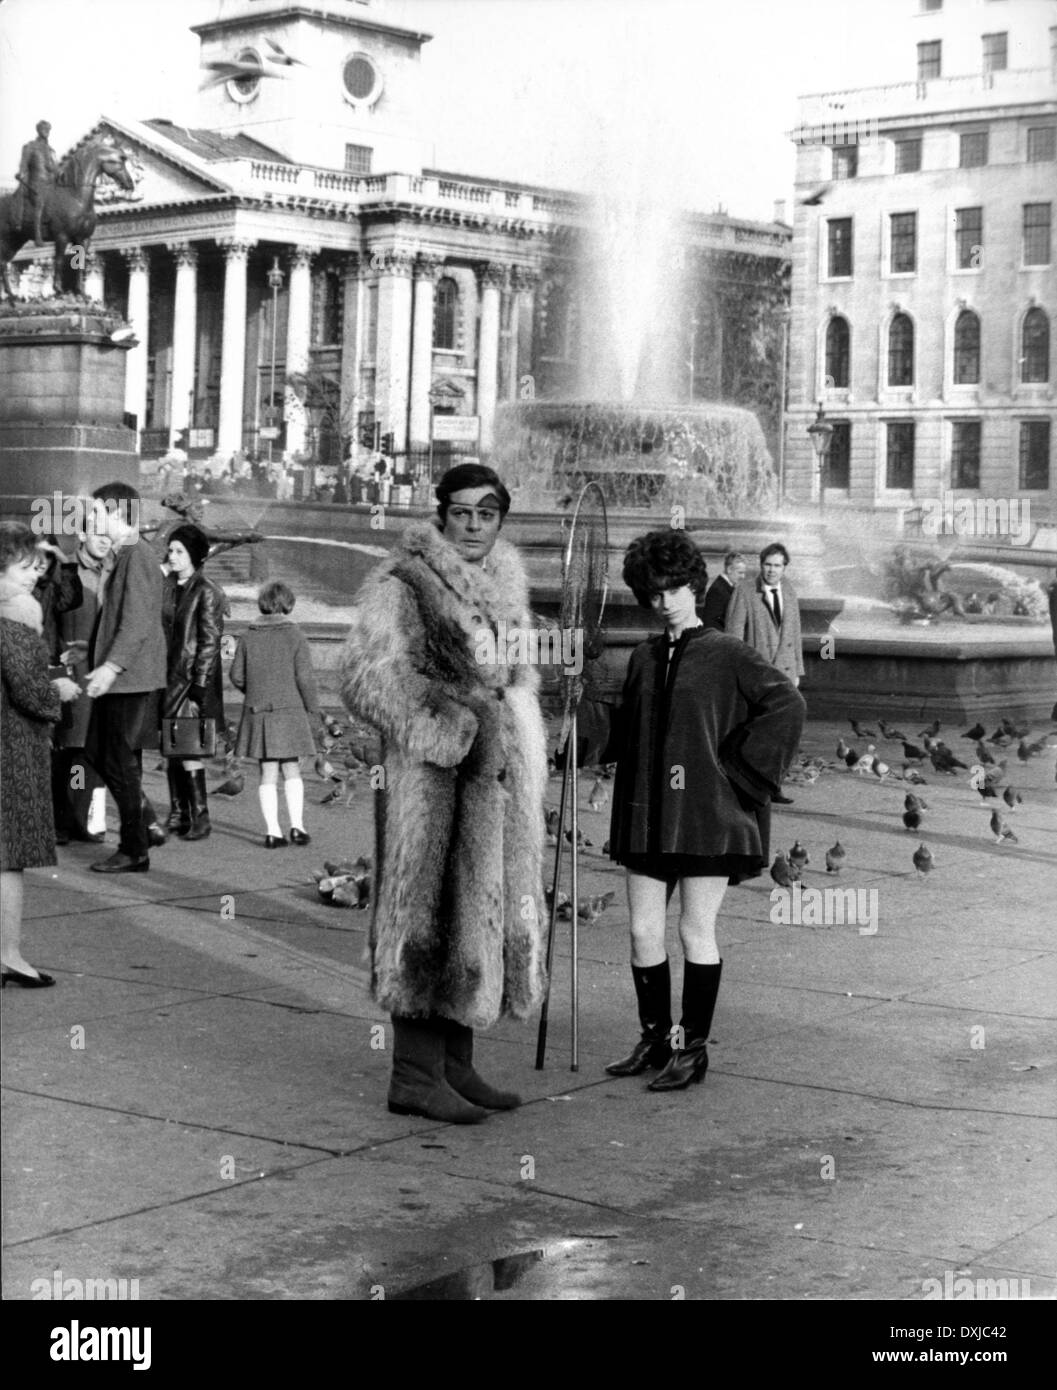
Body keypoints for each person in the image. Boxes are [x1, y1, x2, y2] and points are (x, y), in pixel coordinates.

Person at [339, 462, 548, 1125]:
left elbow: (515, 679)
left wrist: (537, 713)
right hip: (432, 782)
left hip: (494, 786)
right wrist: (445, 726)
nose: (473, 525)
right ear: (440, 514)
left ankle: (455, 1065)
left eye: (487, 513)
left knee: (476, 912)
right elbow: (366, 676)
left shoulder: (506, 583)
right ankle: (413, 1077)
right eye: (460, 512)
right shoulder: (402, 582)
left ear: (500, 519)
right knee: (424, 915)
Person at [604, 529, 804, 1091]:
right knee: (644, 932)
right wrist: (584, 706)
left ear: (694, 584)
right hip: (647, 814)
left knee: (696, 931)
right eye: (653, 591)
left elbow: (787, 703)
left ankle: (690, 1051)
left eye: (673, 588)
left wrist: (740, 771)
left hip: (707, 818)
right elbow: (623, 732)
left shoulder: (729, 653)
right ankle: (654, 1039)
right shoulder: (643, 656)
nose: (663, 600)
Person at [0, 521, 81, 987]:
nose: (35, 575)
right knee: (10, 860)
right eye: (25, 567)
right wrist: (59, 690)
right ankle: (9, 955)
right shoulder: (14, 621)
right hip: (13, 749)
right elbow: (29, 691)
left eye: (37, 566)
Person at [83, 483, 168, 873]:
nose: (93, 519)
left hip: (130, 678)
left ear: (118, 513)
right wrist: (90, 656)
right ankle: (141, 831)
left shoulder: (137, 557)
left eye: (98, 512)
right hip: (125, 676)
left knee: (113, 758)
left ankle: (135, 846)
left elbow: (137, 622)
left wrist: (110, 667)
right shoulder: (126, 556)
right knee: (107, 756)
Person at [230, 581, 321, 849]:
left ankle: (273, 832)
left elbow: (235, 675)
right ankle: (298, 828)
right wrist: (313, 709)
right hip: (289, 710)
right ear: (287, 604)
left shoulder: (248, 636)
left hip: (258, 710)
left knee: (267, 771)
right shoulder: (296, 636)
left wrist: (255, 690)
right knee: (292, 769)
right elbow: (304, 678)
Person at [161, 525, 227, 842]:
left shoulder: (207, 592)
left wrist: (200, 685)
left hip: (188, 682)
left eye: (179, 552)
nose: (172, 556)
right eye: (170, 550)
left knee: (187, 749)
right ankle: (179, 813)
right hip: (168, 678)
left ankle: (200, 817)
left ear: (195, 556)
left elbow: (210, 642)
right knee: (172, 748)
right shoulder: (169, 587)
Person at [725, 542, 803, 804]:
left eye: (777, 565)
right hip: (757, 672)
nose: (772, 570)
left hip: (785, 669)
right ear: (761, 566)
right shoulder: (745, 590)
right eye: (768, 565)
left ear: (784, 567)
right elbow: (733, 636)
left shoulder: (790, 591)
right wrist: (734, 671)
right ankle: (744, 779)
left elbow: (795, 633)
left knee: (783, 729)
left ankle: (773, 782)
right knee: (753, 726)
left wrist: (798, 670)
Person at [54, 524, 112, 843]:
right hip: (71, 673)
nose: (105, 540)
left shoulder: (116, 572)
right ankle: (66, 818)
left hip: (105, 675)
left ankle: (88, 818)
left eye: (109, 535)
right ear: (82, 536)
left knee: (95, 751)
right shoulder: (66, 571)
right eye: (98, 534)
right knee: (70, 749)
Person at [17, 119, 57, 248]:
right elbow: (23, 165)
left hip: (50, 183)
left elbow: (55, 168)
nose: (46, 132)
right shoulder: (30, 147)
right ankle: (38, 235)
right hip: (36, 184)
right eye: (44, 130)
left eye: (48, 130)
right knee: (40, 201)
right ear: (39, 130)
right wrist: (21, 173)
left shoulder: (51, 150)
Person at [701, 550, 746, 632]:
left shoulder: (725, 587)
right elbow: (711, 623)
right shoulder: (717, 591)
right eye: (740, 573)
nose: (743, 576)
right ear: (729, 570)